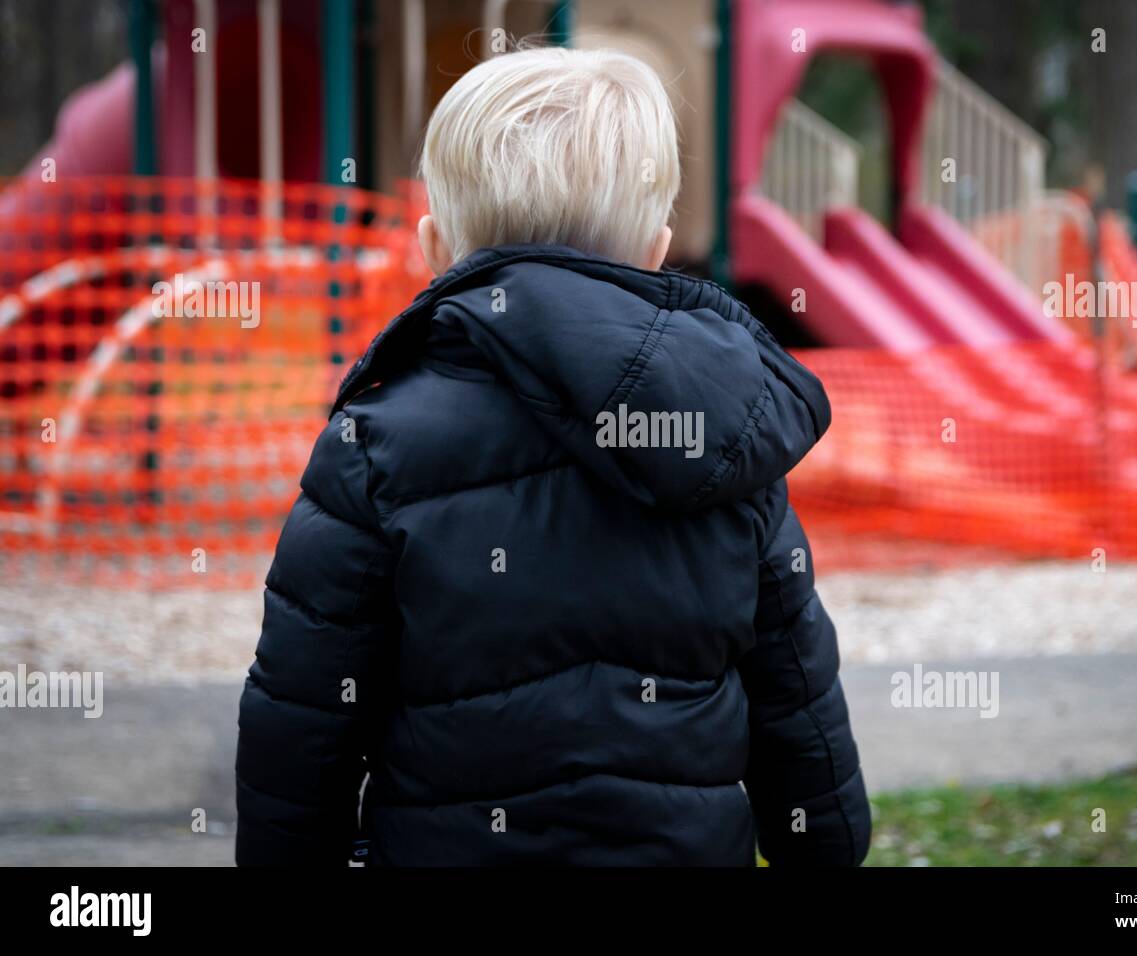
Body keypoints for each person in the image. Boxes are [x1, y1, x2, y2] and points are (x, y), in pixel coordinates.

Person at [235, 45, 870, 866]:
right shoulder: (724, 439)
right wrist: (827, 847)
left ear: (433, 247)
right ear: (656, 250)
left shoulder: (375, 445)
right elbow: (798, 700)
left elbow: (304, 716)